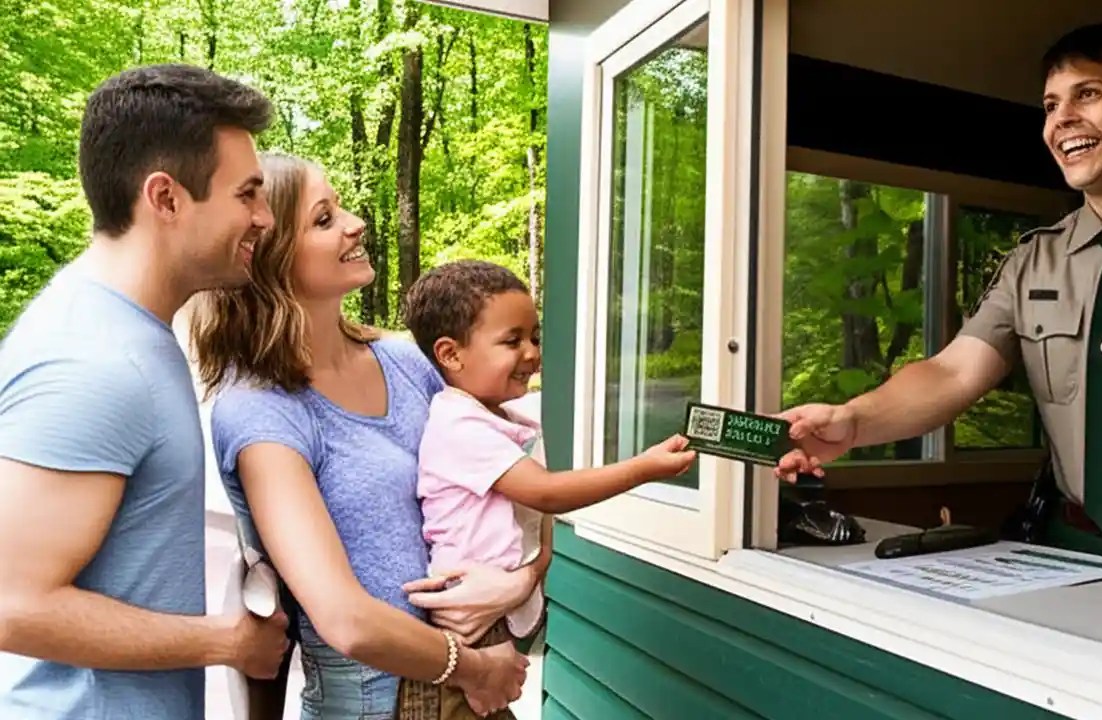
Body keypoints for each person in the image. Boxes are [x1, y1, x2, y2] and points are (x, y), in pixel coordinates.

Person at [774, 23, 1102, 611]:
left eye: (1087, 94)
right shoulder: (1034, 258)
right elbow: (954, 372)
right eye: (1050, 105)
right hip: (1069, 554)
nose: (1061, 119)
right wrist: (854, 421)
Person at [188, 153, 535, 719]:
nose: (355, 223)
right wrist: (476, 668)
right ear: (271, 257)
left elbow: (523, 485)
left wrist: (519, 581)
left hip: (475, 683)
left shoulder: (407, 362)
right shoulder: (261, 413)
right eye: (324, 219)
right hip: (382, 700)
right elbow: (343, 618)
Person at [0, 64, 291, 719]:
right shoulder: (91, 360)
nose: (265, 218)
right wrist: (229, 643)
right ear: (165, 198)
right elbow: (14, 606)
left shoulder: (132, 333)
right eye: (247, 194)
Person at [395, 260, 696, 718]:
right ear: (451, 355)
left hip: (493, 616)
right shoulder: (459, 425)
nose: (532, 353)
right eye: (511, 341)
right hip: (467, 628)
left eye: (534, 336)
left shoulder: (505, 416)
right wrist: (644, 468)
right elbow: (548, 494)